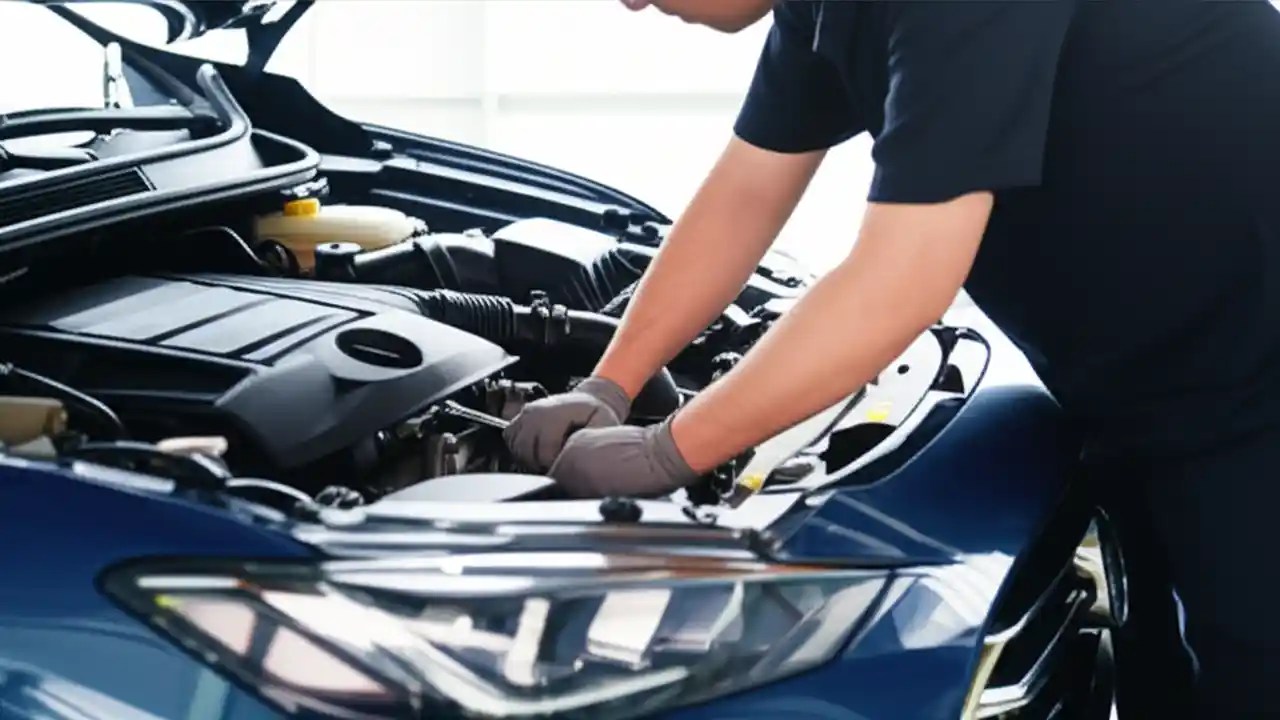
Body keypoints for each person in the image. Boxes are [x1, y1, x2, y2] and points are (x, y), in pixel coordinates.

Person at [503, 0, 1280, 716]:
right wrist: (613, 380)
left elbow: (902, 279)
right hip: (1153, 392)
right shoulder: (821, 8)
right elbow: (745, 191)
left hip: (1253, 387)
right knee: (1167, 685)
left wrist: (668, 448)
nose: (629, 0)